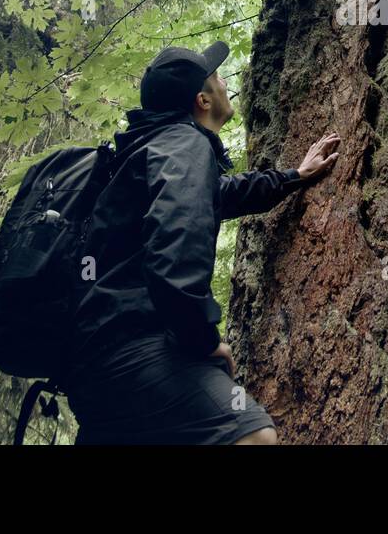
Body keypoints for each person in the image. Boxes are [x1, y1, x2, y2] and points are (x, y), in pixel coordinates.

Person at [63, 40, 339, 444]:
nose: (226, 82)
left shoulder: (147, 153)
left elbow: (218, 195)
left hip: (93, 374)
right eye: (217, 77)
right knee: (254, 436)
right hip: (134, 352)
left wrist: (292, 176)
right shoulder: (183, 143)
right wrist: (202, 339)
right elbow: (175, 242)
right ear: (202, 100)